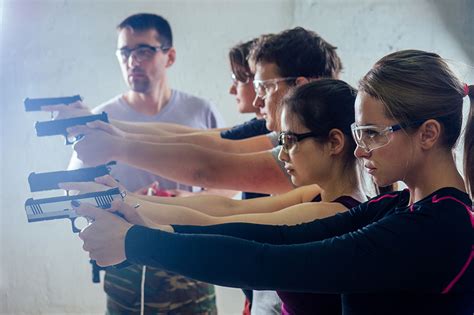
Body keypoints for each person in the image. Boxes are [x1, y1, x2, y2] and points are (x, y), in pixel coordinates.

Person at [76, 50, 474, 315]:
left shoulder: (441, 228)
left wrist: (136, 242)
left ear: (428, 134)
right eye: (359, 134)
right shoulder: (399, 206)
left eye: (373, 134)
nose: (360, 150)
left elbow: (273, 263)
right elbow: (276, 239)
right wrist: (141, 220)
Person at [65, 79, 364, 314]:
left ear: (334, 142)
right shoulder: (315, 195)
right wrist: (123, 197)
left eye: (290, 140)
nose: (282, 153)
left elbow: (217, 223)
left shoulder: (332, 214)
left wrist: (126, 205)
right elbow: (223, 207)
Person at [68, 13, 225, 315]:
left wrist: (193, 200)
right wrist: (124, 202)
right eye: (125, 52)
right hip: (128, 260)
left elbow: (232, 183)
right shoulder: (100, 120)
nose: (132, 61)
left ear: (170, 55)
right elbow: (75, 191)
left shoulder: (200, 112)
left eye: (143, 50)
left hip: (192, 252)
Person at [67, 27, 343, 195]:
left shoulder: (313, 147)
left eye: (264, 87)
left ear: (300, 86)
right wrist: (108, 128)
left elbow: (209, 168)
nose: (258, 101)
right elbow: (198, 139)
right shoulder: (290, 137)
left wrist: (118, 148)